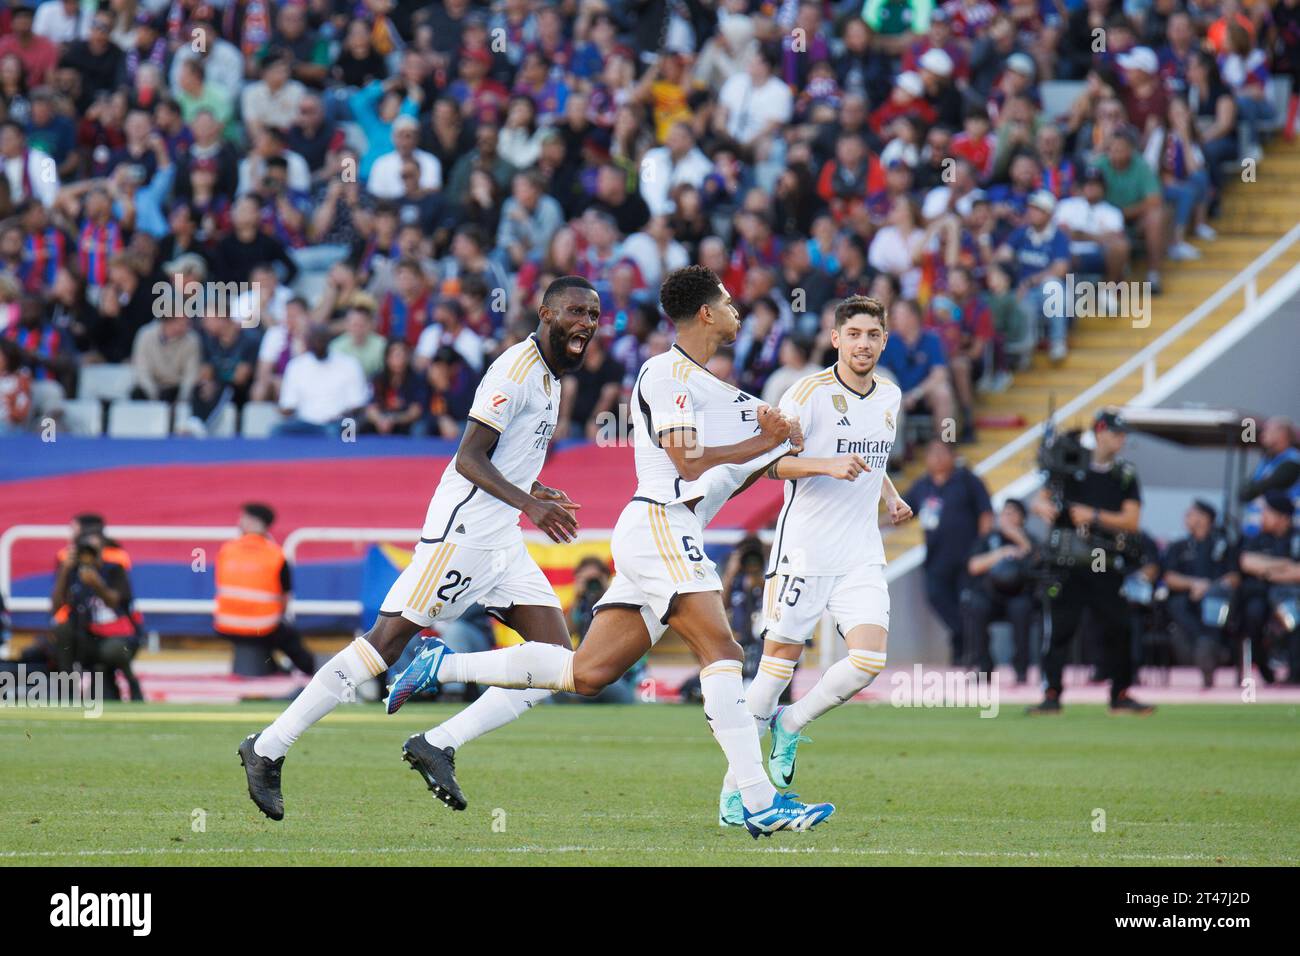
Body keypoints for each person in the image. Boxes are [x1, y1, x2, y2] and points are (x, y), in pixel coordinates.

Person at [385, 265, 837, 838]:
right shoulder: (665, 373)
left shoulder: (718, 390)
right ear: (704, 313)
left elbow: (744, 466)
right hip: (660, 525)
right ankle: (755, 799)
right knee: (723, 650)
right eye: (727, 302)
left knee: (587, 673)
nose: (736, 312)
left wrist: (806, 454)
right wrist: (768, 437)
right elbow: (690, 462)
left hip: (672, 531)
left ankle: (441, 668)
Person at [239, 277, 601, 820]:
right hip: (462, 536)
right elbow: (469, 458)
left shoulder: (552, 377)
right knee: (383, 645)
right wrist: (529, 503)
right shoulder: (514, 371)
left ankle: (438, 742)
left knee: (558, 665)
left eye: (594, 315)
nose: (587, 324)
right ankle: (268, 747)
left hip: (502, 538)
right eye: (576, 311)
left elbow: (506, 456)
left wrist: (533, 490)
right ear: (546, 313)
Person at [716, 295, 913, 825]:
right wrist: (825, 465)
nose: (863, 344)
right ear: (836, 339)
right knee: (772, 675)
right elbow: (767, 463)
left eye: (873, 335)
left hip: (860, 554)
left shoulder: (890, 396)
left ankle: (792, 724)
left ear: (884, 341)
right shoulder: (808, 393)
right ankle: (736, 796)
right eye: (854, 334)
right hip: (803, 552)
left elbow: (871, 458)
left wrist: (888, 496)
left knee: (869, 661)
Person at [1028, 409, 1154, 714]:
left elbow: (1132, 520)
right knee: (1059, 629)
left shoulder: (1123, 473)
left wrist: (1092, 515)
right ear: (1099, 431)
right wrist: (1044, 507)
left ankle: (1120, 693)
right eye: (1116, 433)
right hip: (1067, 561)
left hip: (1104, 560)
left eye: (1123, 434)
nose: (1121, 440)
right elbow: (1040, 500)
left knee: (1118, 628)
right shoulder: (1070, 462)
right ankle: (1052, 693)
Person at [904, 440, 994, 663]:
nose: (937, 458)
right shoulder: (923, 485)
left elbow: (986, 512)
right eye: (932, 453)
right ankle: (963, 636)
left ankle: (968, 650)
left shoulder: (967, 480)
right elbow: (904, 510)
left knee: (969, 604)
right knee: (936, 597)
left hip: (967, 558)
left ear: (953, 455)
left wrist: (982, 545)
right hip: (936, 558)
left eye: (942, 453)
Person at [213, 503, 315, 676]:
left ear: (253, 522)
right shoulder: (276, 555)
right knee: (287, 636)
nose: (239, 522)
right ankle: (312, 671)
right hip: (263, 626)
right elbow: (285, 596)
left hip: (224, 624)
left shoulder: (227, 550)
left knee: (271, 632)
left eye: (242, 518)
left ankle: (270, 667)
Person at [50, 531, 142, 701]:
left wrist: (97, 583)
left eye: (92, 550)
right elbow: (55, 607)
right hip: (86, 637)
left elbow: (116, 602)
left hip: (115, 636)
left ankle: (132, 686)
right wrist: (64, 570)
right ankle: (68, 690)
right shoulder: (72, 572)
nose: (88, 556)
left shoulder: (114, 570)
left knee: (112, 651)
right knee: (62, 630)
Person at [1163, 500, 1240, 689]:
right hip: (1187, 598)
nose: (1186, 518)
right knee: (1176, 604)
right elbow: (1169, 577)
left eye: (1191, 514)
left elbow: (1233, 577)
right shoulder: (1178, 546)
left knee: (1215, 603)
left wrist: (1208, 587)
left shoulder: (1223, 545)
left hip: (1216, 600)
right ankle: (1206, 645)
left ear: (1205, 519)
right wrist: (1193, 584)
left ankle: (1207, 646)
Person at [964, 498, 1037, 682]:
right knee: (977, 607)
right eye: (1004, 513)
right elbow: (973, 566)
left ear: (1023, 518)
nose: (1007, 517)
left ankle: (1021, 669)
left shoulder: (1030, 539)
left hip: (1018, 595)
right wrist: (1001, 553)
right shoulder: (989, 539)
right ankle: (984, 667)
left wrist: (1020, 541)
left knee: (1022, 609)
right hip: (990, 595)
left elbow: (1038, 562)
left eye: (1012, 513)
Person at [1237, 492, 1300, 684]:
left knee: (1293, 615)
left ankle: (1295, 674)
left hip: (1290, 594)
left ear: (1283, 517)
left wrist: (1267, 570)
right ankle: (1263, 667)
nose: (1262, 516)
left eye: (1267, 512)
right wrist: (1282, 566)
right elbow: (1246, 562)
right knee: (1252, 615)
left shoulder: (1296, 539)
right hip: (1259, 595)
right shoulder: (1257, 538)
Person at [273, 325, 370, 436]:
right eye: (315, 340)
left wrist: (337, 416)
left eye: (321, 339)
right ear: (308, 342)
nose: (318, 343)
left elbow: (357, 405)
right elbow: (288, 406)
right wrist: (280, 406)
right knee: (277, 431)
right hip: (305, 423)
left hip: (338, 423)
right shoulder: (296, 366)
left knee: (337, 432)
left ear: (329, 340)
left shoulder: (349, 364)